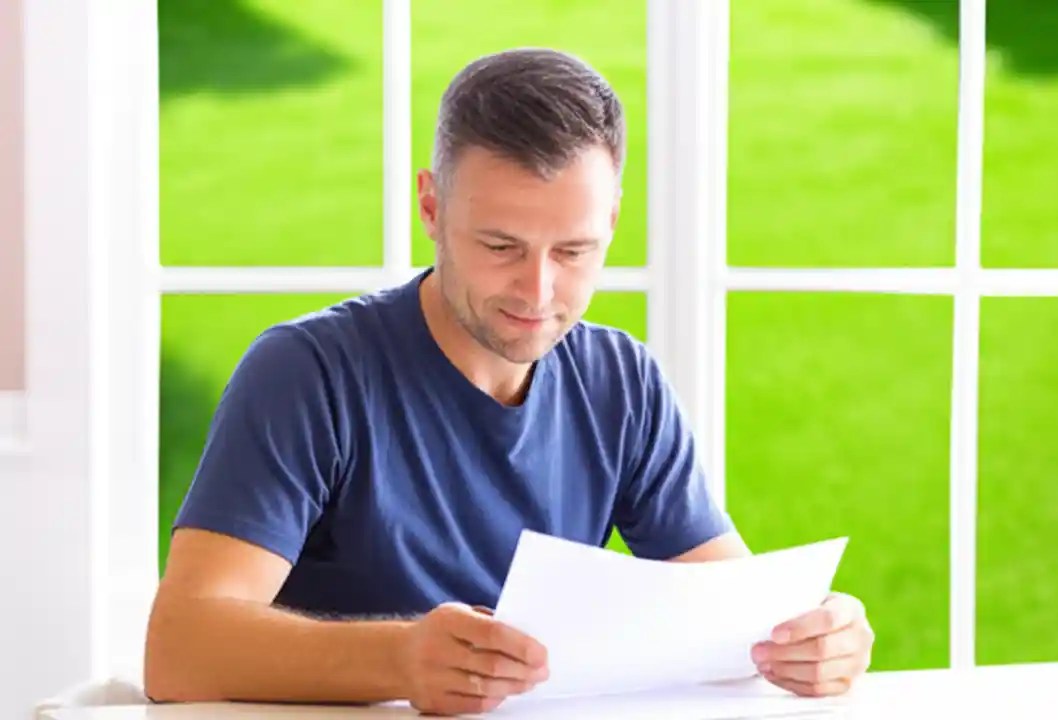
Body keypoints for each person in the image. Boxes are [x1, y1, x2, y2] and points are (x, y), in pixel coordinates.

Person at [143, 47, 875, 716]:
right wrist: (399, 660)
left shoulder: (623, 383)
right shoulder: (308, 374)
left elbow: (733, 616)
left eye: (575, 250)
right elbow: (179, 650)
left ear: (612, 222)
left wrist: (811, 640)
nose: (538, 289)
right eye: (500, 246)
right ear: (431, 207)